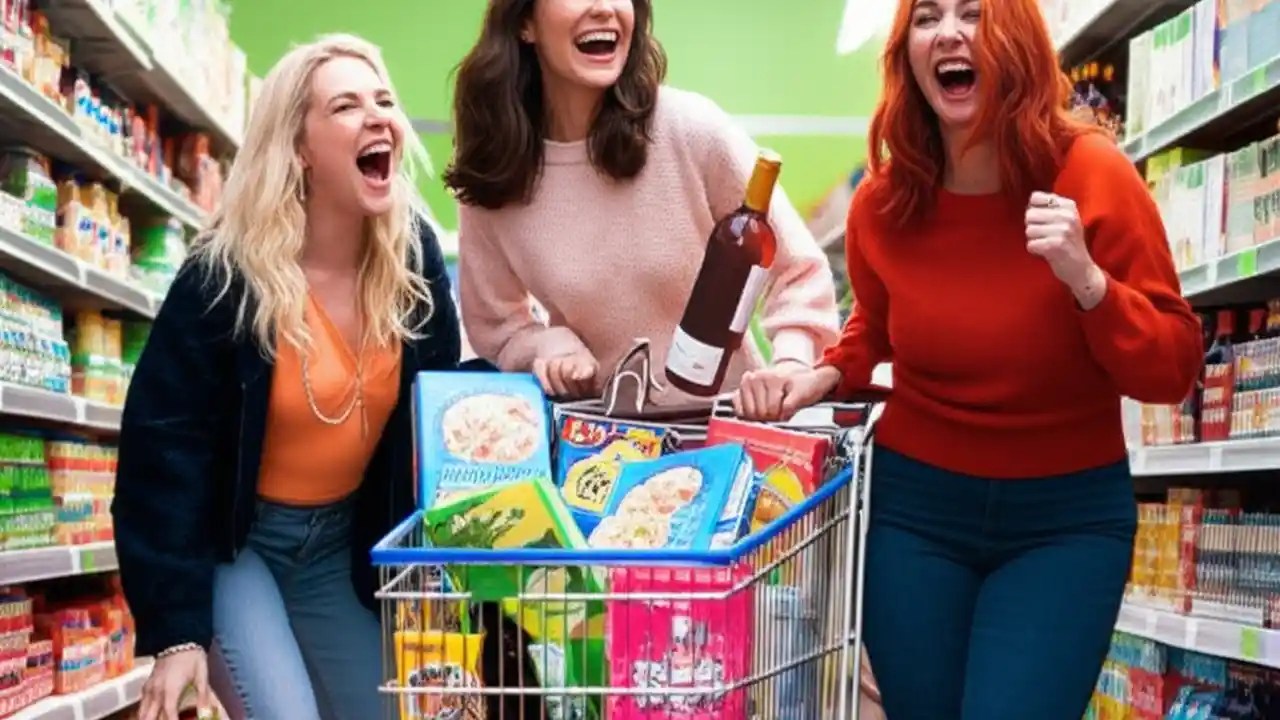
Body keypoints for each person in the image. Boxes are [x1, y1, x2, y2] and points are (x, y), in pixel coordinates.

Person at [736, 0, 1202, 718]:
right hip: (915, 517)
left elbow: (1172, 369)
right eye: (926, 17)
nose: (949, 33)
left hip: (1065, 523)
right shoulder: (884, 204)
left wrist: (1088, 281)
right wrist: (817, 375)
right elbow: (874, 328)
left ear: (1016, 38)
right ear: (907, 56)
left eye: (974, 13)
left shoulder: (1092, 175)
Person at [111, 34, 460, 720]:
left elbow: (442, 413)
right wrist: (176, 629)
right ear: (299, 147)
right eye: (346, 106)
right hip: (240, 546)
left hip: (342, 546)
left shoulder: (412, 258)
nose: (377, 116)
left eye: (384, 101)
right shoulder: (226, 275)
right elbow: (164, 449)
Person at [446, 0, 841, 403]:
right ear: (525, 23)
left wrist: (791, 363)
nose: (604, 8)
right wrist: (547, 345)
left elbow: (798, 271)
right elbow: (498, 326)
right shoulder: (494, 168)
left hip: (725, 428)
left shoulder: (691, 129)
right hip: (594, 436)